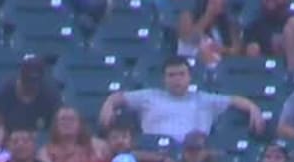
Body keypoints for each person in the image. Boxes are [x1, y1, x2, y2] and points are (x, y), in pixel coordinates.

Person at [100, 56, 265, 139]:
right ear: (164, 79)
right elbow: (118, 98)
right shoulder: (149, 96)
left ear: (189, 77)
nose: (177, 79)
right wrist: (108, 105)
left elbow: (234, 100)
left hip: (194, 153)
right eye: (171, 75)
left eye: (181, 74)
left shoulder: (204, 99)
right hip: (155, 153)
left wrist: (253, 108)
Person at [0, 58, 61, 135]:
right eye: (28, 82)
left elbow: (56, 125)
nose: (32, 86)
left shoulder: (49, 95)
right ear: (21, 78)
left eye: (36, 82)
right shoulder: (3, 92)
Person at [175, 0, 242, 62]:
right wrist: (208, 15)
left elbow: (237, 51)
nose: (218, 0)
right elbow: (189, 40)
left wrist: (222, 50)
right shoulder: (187, 16)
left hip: (223, 63)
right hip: (193, 61)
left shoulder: (230, 22)